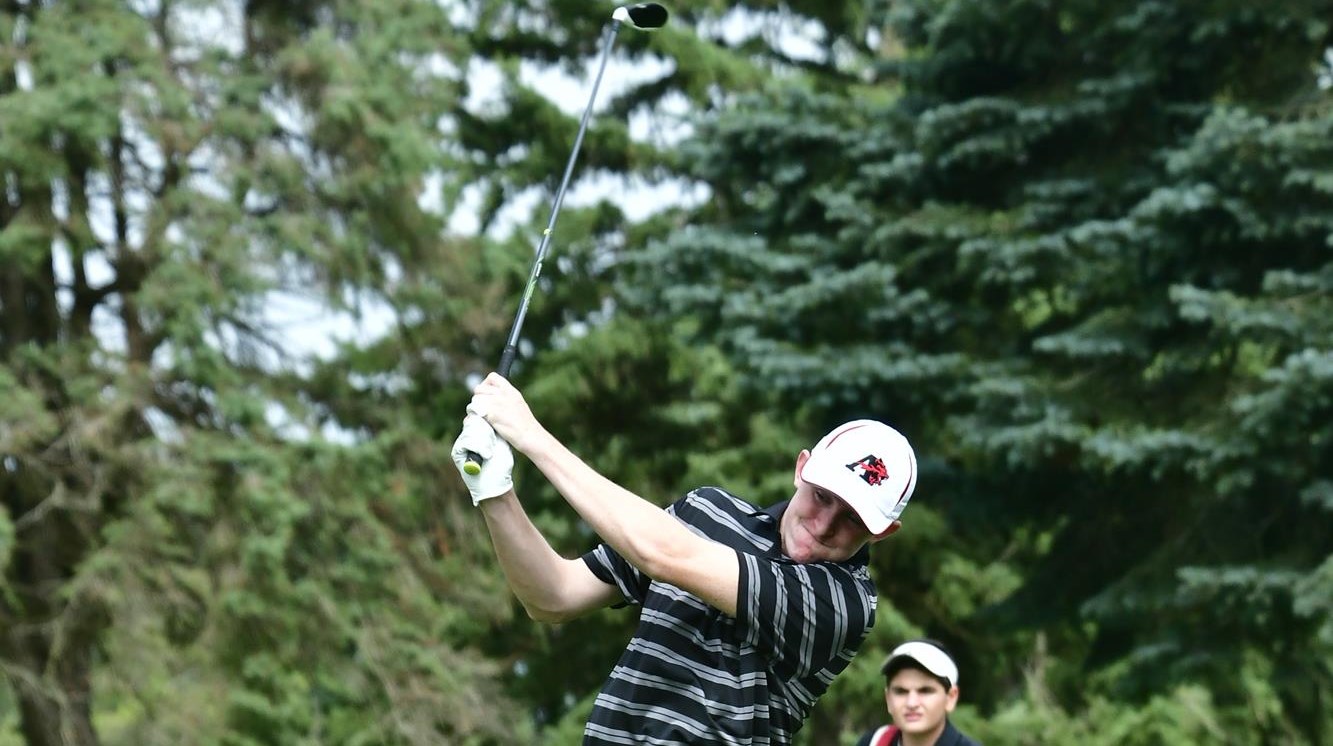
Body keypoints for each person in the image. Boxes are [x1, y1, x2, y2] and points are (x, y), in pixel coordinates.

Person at [451, 372, 918, 745]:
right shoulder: (706, 511)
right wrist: (493, 490)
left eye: (853, 518)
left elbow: (663, 554)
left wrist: (531, 435)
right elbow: (554, 596)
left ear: (885, 532)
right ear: (801, 468)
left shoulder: (843, 604)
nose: (824, 524)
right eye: (821, 496)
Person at [855, 640, 981, 746]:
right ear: (888, 699)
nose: (911, 703)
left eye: (925, 691)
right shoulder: (875, 741)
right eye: (901, 691)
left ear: (951, 698)